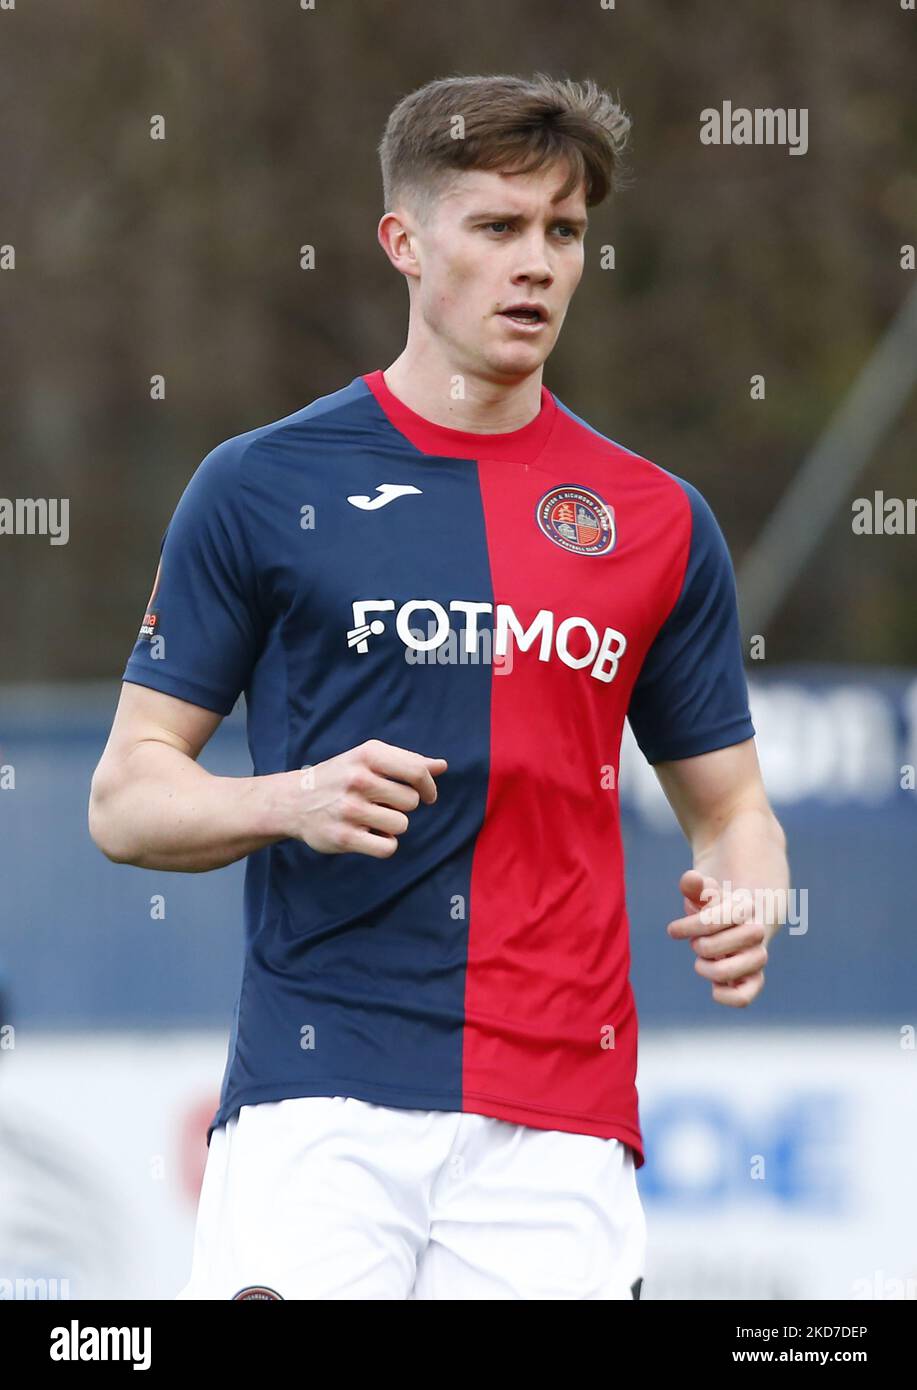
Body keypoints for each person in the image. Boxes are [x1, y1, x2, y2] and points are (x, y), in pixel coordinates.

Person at [88, 72, 789, 1300]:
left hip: (562, 1119)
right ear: (403, 243)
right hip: (320, 1101)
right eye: (498, 226)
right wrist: (288, 799)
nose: (537, 265)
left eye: (563, 233)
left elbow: (730, 812)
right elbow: (125, 798)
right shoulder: (258, 487)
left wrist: (749, 899)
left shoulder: (654, 519)